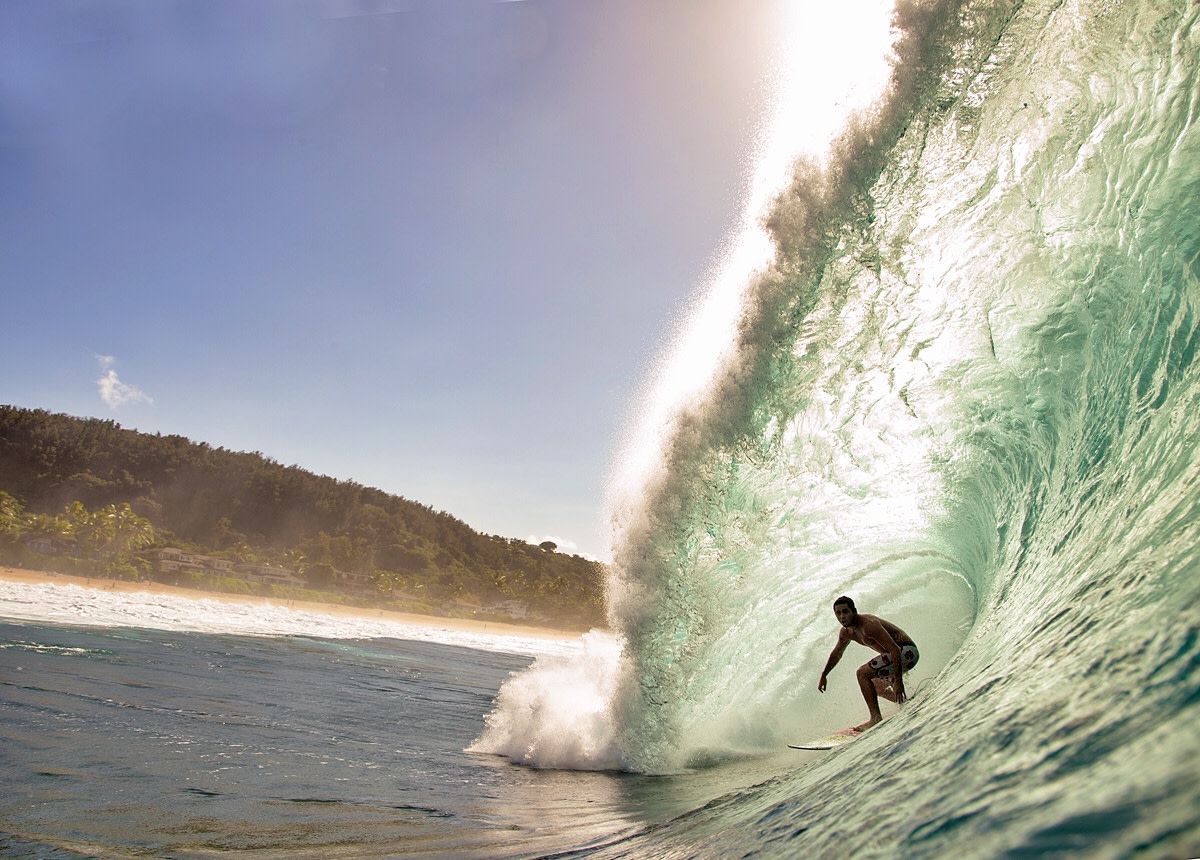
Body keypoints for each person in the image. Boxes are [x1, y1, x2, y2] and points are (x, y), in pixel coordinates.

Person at [817, 595, 918, 731]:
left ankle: (875, 718)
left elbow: (894, 649)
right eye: (838, 613)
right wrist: (824, 674)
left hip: (906, 652)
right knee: (872, 687)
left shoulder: (869, 625)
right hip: (896, 656)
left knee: (862, 673)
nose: (842, 617)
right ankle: (904, 701)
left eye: (845, 611)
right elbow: (837, 654)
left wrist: (898, 681)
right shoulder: (846, 632)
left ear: (854, 611)